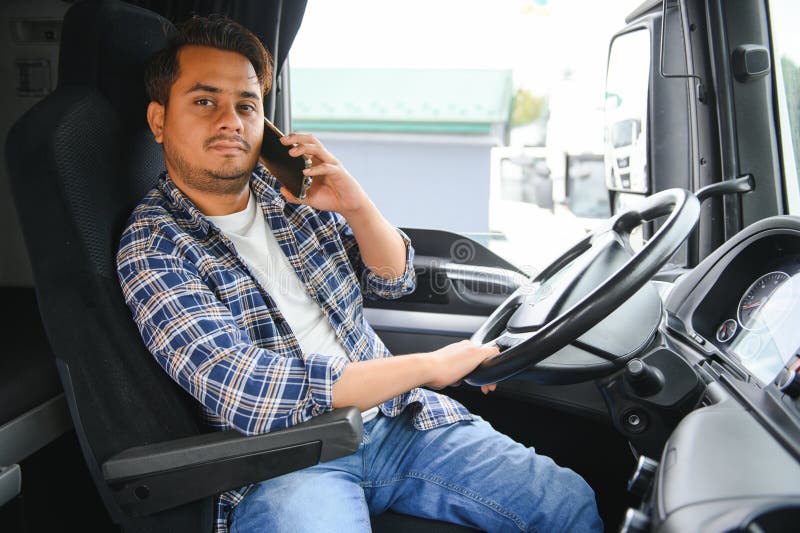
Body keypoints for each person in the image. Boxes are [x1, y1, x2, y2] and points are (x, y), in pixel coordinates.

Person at [116, 15, 603, 533]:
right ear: (159, 119)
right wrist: (430, 366)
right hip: (284, 460)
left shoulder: (288, 197)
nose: (231, 121)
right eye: (205, 101)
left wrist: (355, 205)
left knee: (568, 504)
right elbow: (252, 391)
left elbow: (393, 279)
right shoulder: (153, 245)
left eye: (246, 105)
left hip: (397, 422)